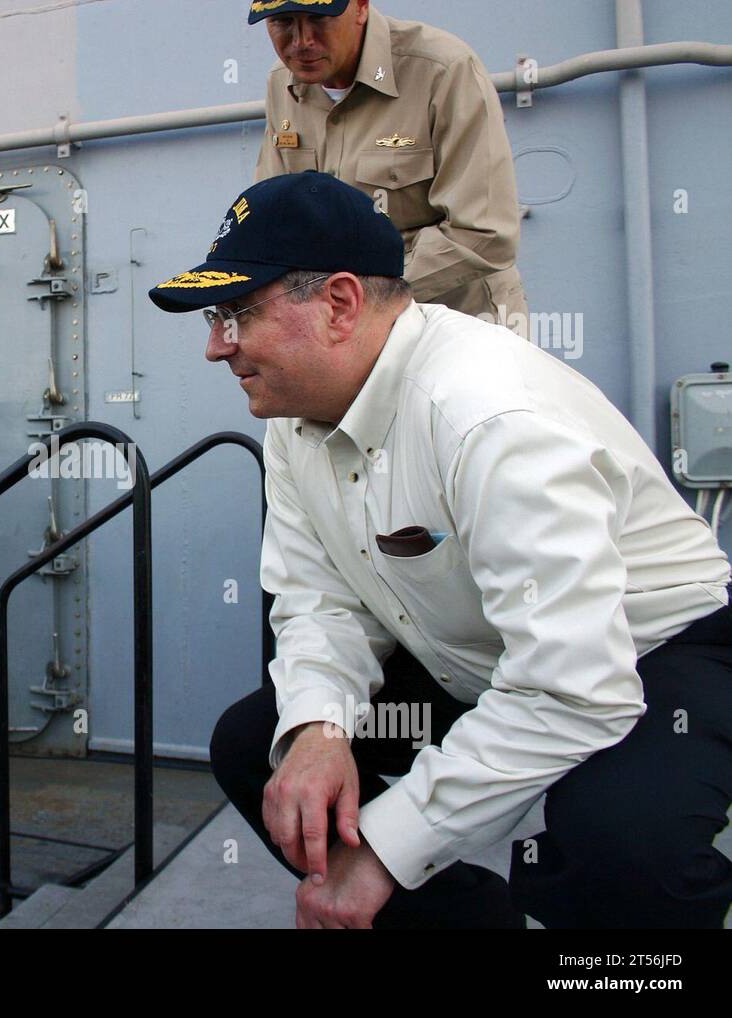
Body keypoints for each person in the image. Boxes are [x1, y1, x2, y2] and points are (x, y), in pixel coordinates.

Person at [149, 172, 732, 929]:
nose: (215, 347)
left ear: (339, 304)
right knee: (262, 744)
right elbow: (318, 600)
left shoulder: (488, 417)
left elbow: (574, 687)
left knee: (623, 848)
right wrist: (321, 728)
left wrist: (385, 850)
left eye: (236, 313)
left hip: (649, 654)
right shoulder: (295, 421)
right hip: (480, 656)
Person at [251, 0, 528, 326]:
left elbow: (485, 234)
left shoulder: (442, 69)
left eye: (318, 18)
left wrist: (358, 294)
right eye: (283, 22)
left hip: (454, 323)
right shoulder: (282, 82)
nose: (302, 41)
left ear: (361, 7)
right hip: (343, 326)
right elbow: (272, 220)